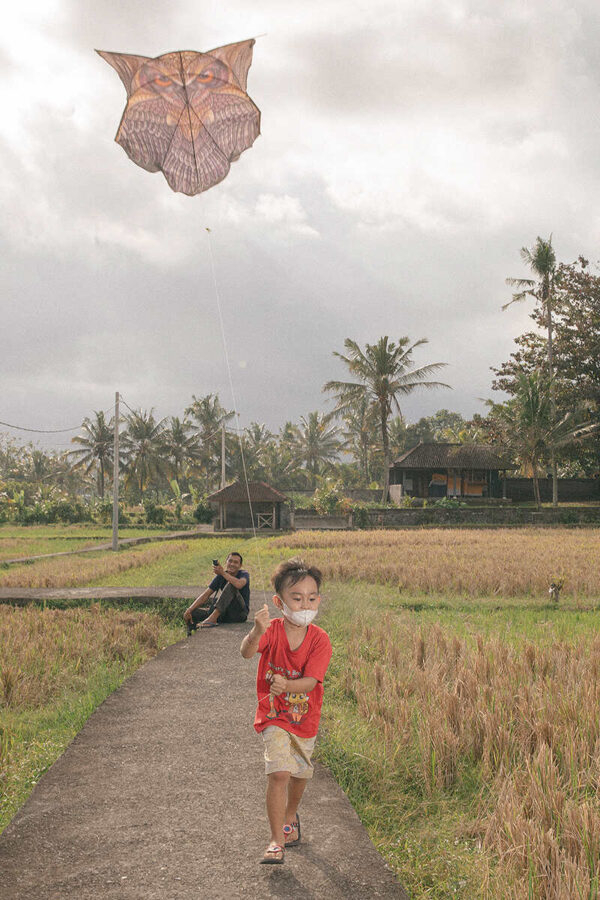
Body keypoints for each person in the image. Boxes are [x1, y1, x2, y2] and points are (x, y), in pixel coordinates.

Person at [240, 557, 332, 865]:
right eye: (297, 597)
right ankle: (276, 840)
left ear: (319, 598)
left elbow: (309, 682)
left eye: (311, 597)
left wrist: (286, 685)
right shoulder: (272, 630)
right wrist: (256, 631)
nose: (305, 603)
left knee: (299, 775)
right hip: (274, 715)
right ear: (280, 601)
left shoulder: (320, 640)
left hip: (305, 718)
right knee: (279, 772)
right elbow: (247, 652)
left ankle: (291, 814)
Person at [183, 552, 250, 634]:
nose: (232, 564)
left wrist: (222, 573)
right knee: (192, 613)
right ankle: (191, 635)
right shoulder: (221, 576)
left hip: (239, 614)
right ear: (226, 562)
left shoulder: (244, 574)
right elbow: (205, 595)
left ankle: (212, 619)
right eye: (230, 561)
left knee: (232, 585)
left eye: (236, 562)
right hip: (224, 613)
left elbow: (239, 584)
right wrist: (189, 610)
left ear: (240, 565)